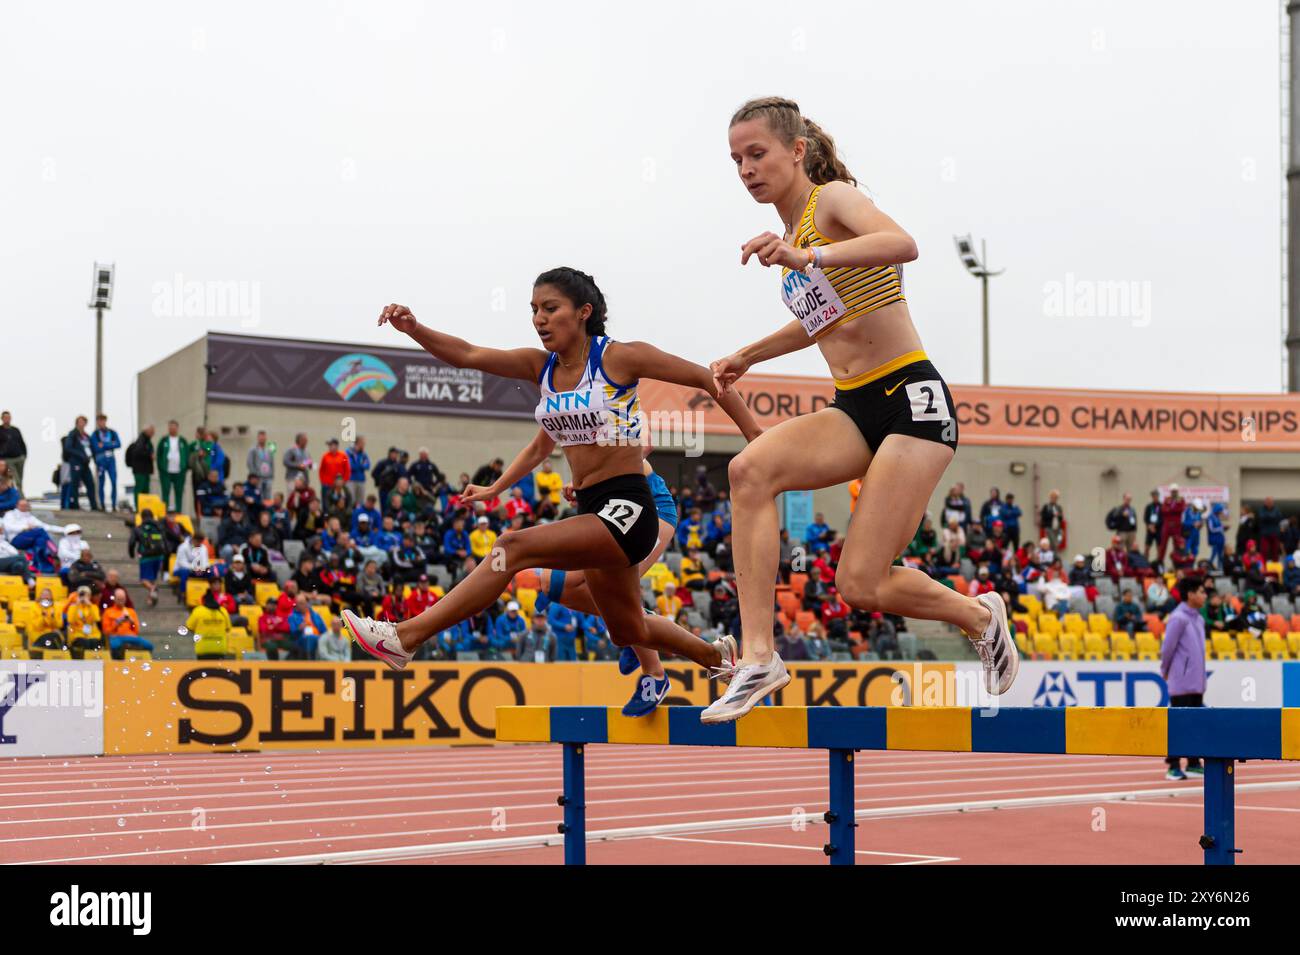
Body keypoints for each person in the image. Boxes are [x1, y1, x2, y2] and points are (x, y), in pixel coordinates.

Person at [707, 97, 1017, 721]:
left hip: (910, 401)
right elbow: (823, 321)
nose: (746, 169)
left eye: (757, 153)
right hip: (854, 407)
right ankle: (760, 657)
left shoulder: (833, 201)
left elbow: (903, 244)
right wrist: (750, 354)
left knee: (861, 584)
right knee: (748, 472)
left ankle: (980, 616)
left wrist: (809, 256)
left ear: (796, 151)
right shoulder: (791, 236)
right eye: (736, 159)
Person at [342, 269, 759, 697]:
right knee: (627, 627)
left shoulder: (619, 357)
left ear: (583, 312)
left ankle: (404, 637)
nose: (539, 319)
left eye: (550, 308)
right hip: (592, 508)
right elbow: (469, 356)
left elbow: (711, 379)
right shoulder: (540, 369)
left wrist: (757, 444)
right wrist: (415, 329)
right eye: (533, 310)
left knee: (511, 547)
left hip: (630, 510)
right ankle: (720, 659)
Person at [1161, 576, 1208, 780]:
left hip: (1196, 682)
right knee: (1179, 725)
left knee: (1196, 724)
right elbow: (1168, 647)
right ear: (1190, 594)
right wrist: (1165, 670)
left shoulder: (1199, 618)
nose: (1205, 595)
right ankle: (1172, 765)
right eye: (1201, 591)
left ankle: (1193, 762)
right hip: (1181, 682)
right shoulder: (1178, 617)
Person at [102, 588, 151, 659]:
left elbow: (136, 631)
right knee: (115, 646)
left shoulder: (130, 611)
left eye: (123, 599)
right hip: (116, 636)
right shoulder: (108, 612)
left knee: (148, 645)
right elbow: (106, 631)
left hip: (130, 636)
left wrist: (131, 622)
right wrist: (117, 623)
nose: (121, 601)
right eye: (119, 599)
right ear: (114, 599)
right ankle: (116, 664)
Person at [89, 414, 122, 511]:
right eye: (99, 421)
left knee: (114, 481)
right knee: (101, 482)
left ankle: (113, 504)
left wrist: (104, 445)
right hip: (101, 461)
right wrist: (110, 444)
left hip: (111, 460)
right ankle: (102, 504)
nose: (101, 423)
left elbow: (118, 444)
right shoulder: (95, 434)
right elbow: (95, 447)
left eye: (103, 421)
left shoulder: (112, 432)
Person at [0, 411, 27, 493]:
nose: (7, 419)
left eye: (8, 417)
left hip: (19, 458)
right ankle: (21, 498)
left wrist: (24, 455)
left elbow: (21, 442)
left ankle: (18, 496)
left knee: (20, 479)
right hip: (7, 459)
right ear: (2, 419)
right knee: (16, 479)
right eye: (5, 417)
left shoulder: (15, 430)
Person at [247, 430, 276, 500]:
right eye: (261, 437)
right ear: (258, 438)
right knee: (259, 495)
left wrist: (272, 475)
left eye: (264, 437)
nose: (262, 439)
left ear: (266, 438)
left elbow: (272, 462)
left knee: (268, 495)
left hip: (268, 477)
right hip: (258, 477)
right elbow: (250, 463)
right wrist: (254, 476)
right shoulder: (253, 449)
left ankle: (267, 509)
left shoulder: (270, 448)